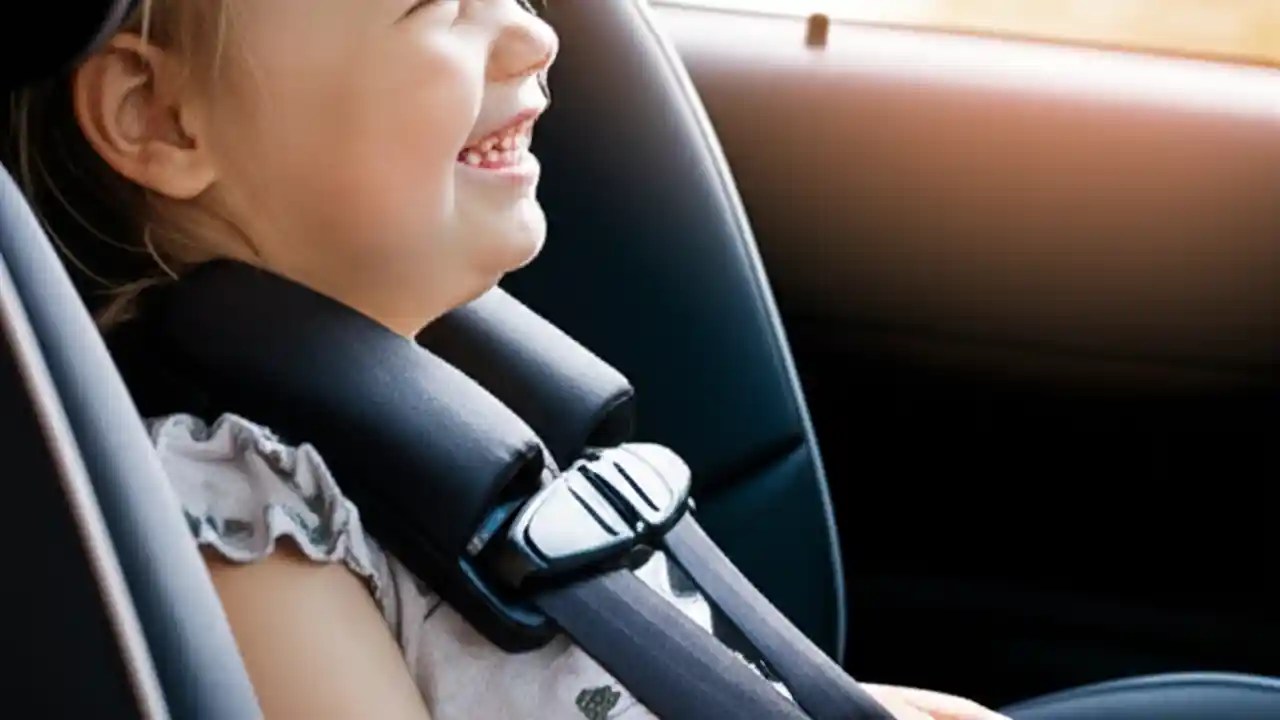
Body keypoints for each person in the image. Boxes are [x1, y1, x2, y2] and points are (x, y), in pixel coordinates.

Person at [5, 1, 1010, 718]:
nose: (536, 34)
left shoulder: (448, 401)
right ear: (157, 113)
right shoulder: (243, 520)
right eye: (438, 4)